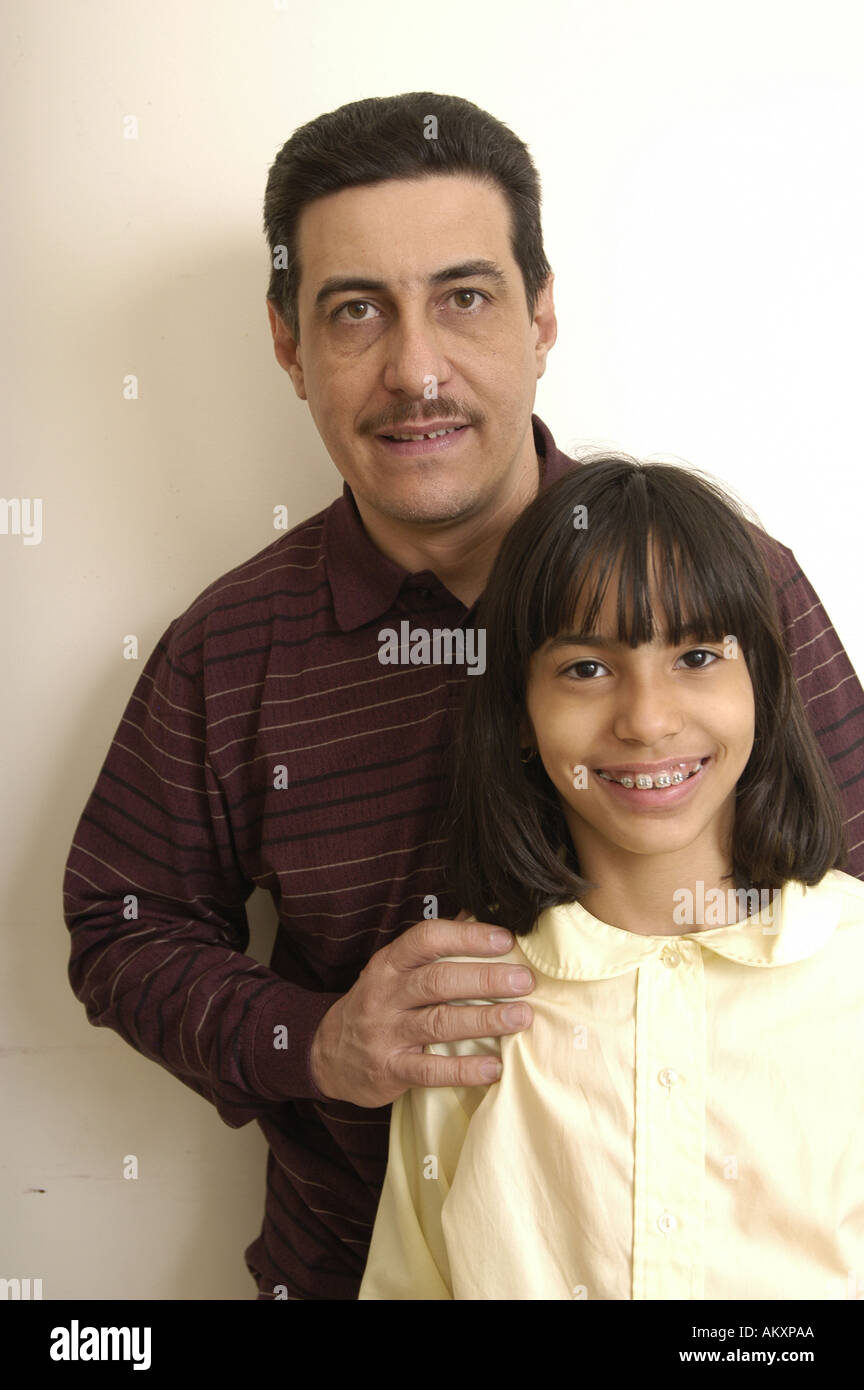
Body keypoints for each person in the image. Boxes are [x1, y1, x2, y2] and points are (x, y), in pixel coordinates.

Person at [63, 92, 864, 1302]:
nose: (416, 369)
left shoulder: (726, 587)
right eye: (355, 313)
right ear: (288, 344)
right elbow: (123, 929)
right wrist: (318, 1039)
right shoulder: (228, 652)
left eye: (466, 297)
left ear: (543, 315)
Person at [358, 455, 864, 1300]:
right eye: (586, 669)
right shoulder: (468, 1007)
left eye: (697, 655)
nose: (648, 719)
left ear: (766, 689)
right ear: (520, 716)